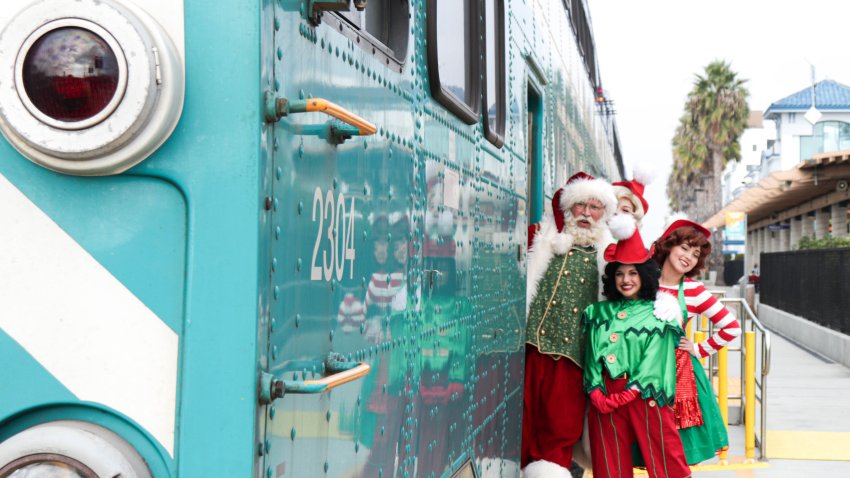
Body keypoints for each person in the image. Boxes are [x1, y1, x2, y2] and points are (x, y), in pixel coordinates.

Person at [523, 171, 617, 478]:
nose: (587, 214)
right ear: (568, 207)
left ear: (604, 213)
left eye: (595, 207)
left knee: (562, 422)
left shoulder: (609, 256)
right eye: (581, 206)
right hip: (531, 346)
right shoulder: (544, 239)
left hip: (574, 354)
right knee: (524, 417)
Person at [583, 215, 692, 478]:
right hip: (605, 397)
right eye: (619, 273)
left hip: (645, 394)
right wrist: (595, 390)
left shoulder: (659, 313)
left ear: (644, 275)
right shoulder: (597, 312)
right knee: (609, 465)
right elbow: (591, 355)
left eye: (633, 272)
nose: (626, 279)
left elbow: (655, 357)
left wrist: (629, 393)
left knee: (666, 460)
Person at [650, 218, 742, 464]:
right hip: (641, 372)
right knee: (648, 446)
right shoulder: (642, 280)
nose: (688, 256)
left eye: (695, 253)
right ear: (669, 246)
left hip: (678, 377)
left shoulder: (693, 290)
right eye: (684, 248)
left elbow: (732, 327)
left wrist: (699, 349)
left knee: (676, 452)